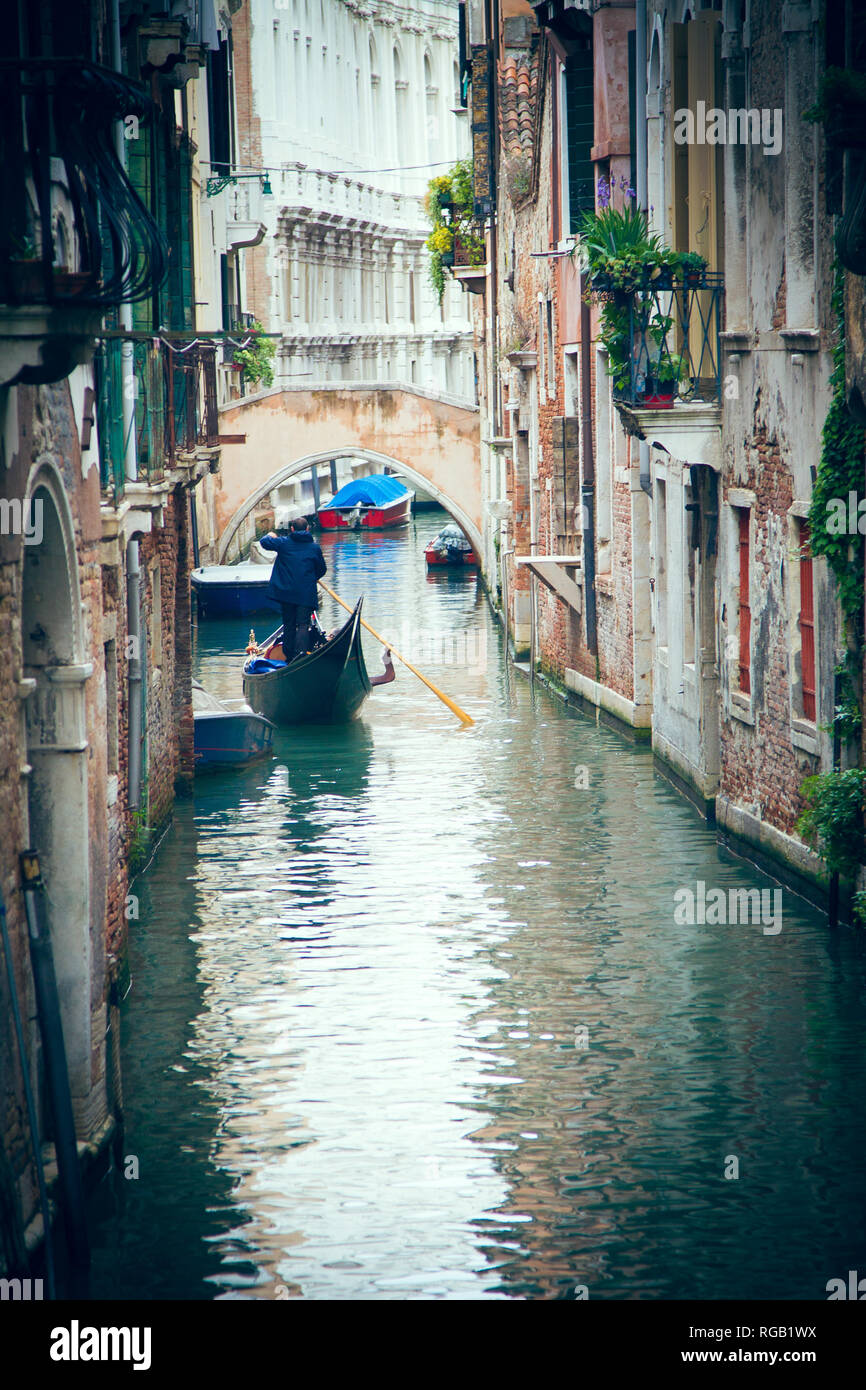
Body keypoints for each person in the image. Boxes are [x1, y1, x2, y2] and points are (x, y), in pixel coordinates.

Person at [259, 517, 327, 660]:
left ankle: (289, 656)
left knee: (289, 624)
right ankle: (300, 655)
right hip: (305, 594)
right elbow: (322, 569)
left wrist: (270, 535)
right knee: (303, 624)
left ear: (292, 529)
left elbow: (264, 542)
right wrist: (311, 578)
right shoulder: (314, 548)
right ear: (307, 529)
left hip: (286, 594)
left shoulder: (283, 543)